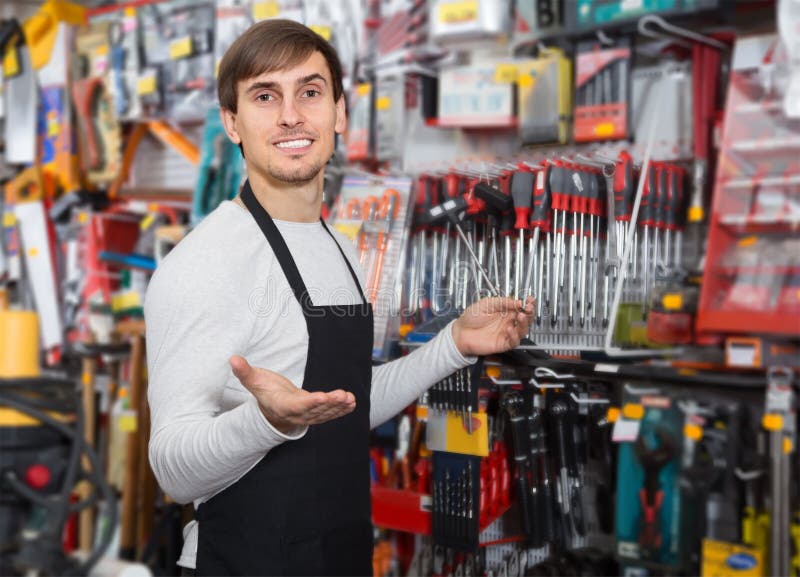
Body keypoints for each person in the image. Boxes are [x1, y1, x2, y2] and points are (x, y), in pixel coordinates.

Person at [145, 18, 534, 577]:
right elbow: (173, 472)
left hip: (340, 556)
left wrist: (453, 343)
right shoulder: (203, 265)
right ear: (231, 122)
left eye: (309, 92)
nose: (290, 116)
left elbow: (343, 407)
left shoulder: (341, 248)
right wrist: (267, 421)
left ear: (339, 113)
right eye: (264, 96)